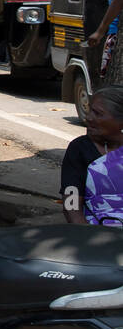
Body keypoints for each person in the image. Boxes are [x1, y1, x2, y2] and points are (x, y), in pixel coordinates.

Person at [62, 86, 123, 225]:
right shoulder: (79, 149)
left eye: (98, 113)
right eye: (90, 110)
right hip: (98, 234)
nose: (88, 117)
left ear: (120, 121)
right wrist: (85, 234)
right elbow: (71, 205)